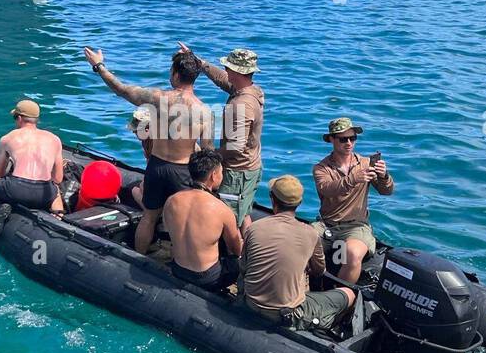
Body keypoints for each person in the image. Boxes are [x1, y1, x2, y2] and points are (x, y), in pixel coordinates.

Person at [82, 46, 214, 254]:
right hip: (182, 171)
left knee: (149, 217)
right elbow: (207, 151)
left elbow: (121, 89)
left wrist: (98, 66)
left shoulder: (157, 97)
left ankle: (139, 258)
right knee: (183, 221)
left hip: (157, 165)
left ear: (176, 74)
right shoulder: (205, 112)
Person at [239, 175, 354, 333]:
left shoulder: (254, 227)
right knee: (349, 294)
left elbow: (244, 267)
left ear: (272, 199)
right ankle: (330, 330)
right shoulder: (310, 233)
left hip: (249, 304)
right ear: (299, 203)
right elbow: (319, 271)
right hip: (286, 315)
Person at [178, 43, 264, 231]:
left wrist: (209, 156)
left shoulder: (241, 105)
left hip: (237, 172)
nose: (225, 70)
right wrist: (198, 62)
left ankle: (236, 255)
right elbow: (221, 79)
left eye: (228, 68)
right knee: (243, 213)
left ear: (236, 72)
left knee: (230, 218)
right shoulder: (249, 90)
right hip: (250, 166)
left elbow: (236, 147)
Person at [312, 116, 393, 285]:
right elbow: (327, 189)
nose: (349, 143)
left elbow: (386, 191)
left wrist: (384, 176)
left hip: (356, 226)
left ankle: (340, 298)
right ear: (332, 140)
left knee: (353, 255)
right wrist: (353, 179)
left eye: (352, 138)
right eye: (343, 139)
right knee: (298, 243)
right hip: (326, 224)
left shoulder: (365, 163)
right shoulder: (321, 168)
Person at [0, 99, 65, 235]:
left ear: (19, 118)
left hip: (16, 190)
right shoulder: (55, 139)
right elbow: (58, 179)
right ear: (36, 119)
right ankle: (58, 219)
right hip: (43, 194)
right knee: (56, 192)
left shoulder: (7, 138)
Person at [161, 150, 242, 290]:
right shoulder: (221, 209)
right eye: (221, 172)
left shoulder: (171, 201)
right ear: (213, 175)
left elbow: (169, 231)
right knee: (240, 261)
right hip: (209, 278)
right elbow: (236, 250)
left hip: (178, 269)